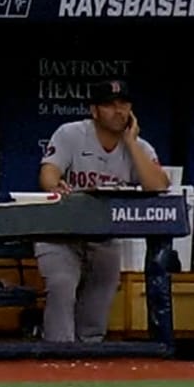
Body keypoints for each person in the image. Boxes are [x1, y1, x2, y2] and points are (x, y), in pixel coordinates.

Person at [35, 79, 168, 344]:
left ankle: (89, 353)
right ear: (94, 110)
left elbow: (159, 186)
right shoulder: (71, 133)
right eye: (109, 105)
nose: (118, 111)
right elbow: (48, 173)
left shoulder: (139, 147)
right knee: (62, 285)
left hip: (103, 235)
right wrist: (55, 185)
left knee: (102, 294)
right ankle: (57, 356)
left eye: (124, 104)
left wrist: (130, 142)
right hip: (61, 232)